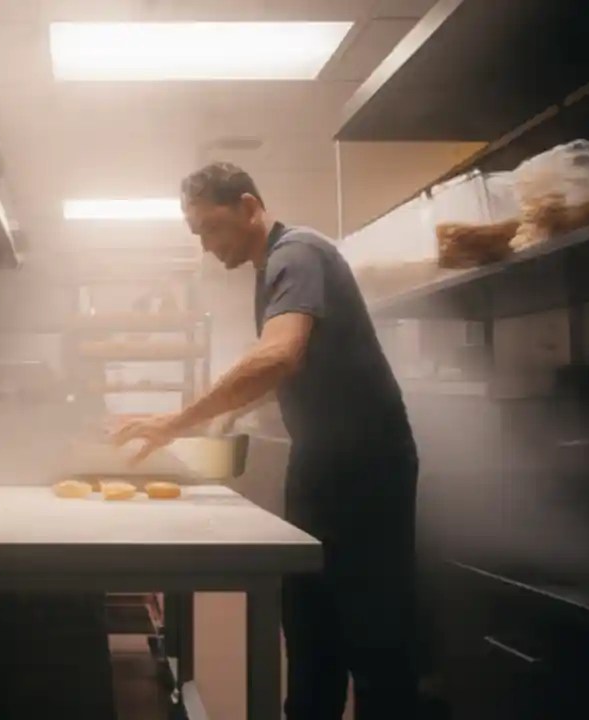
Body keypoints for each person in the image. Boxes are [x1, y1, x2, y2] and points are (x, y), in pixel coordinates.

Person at [111, 162, 419, 719]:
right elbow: (289, 368)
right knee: (309, 624)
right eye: (197, 234)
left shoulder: (296, 254)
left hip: (368, 467)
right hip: (322, 459)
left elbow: (279, 355)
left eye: (211, 228)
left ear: (250, 207)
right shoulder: (271, 266)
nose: (206, 245)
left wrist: (177, 421)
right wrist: (223, 416)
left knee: (373, 634)